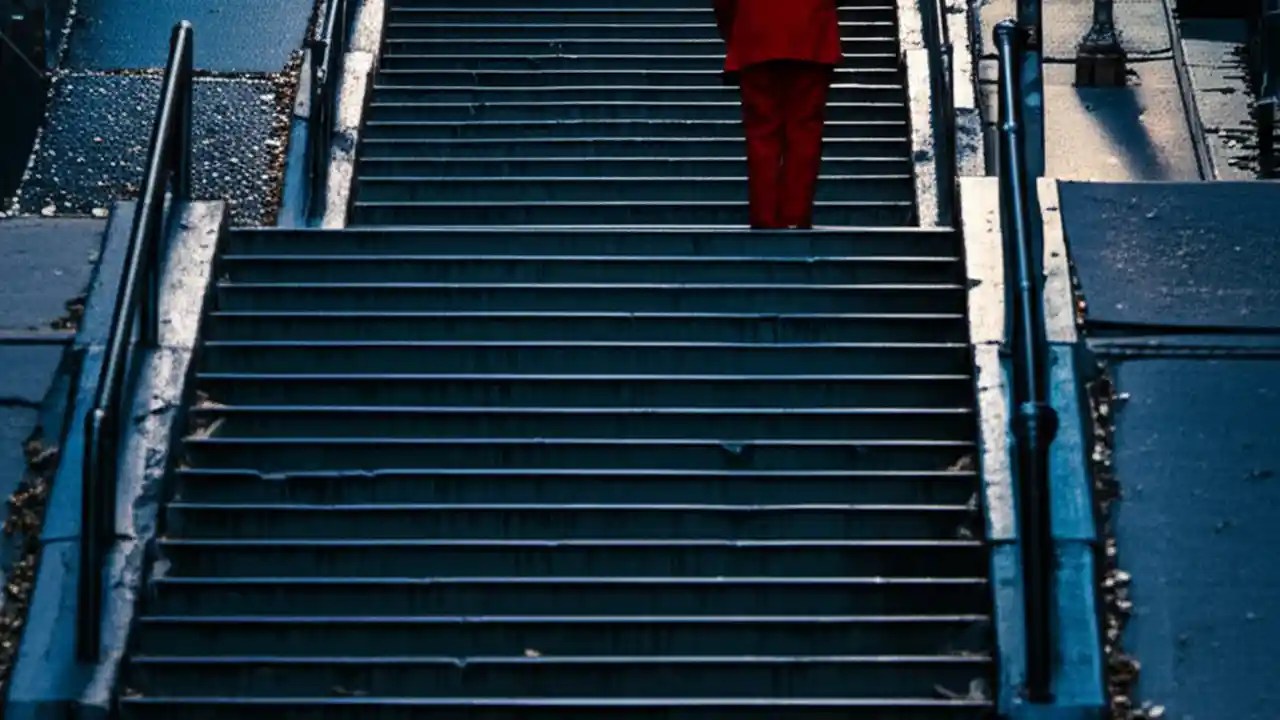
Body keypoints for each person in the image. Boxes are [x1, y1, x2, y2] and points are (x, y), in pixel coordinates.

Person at [714, 0, 842, 229]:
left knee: (761, 131)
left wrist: (734, 28)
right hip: (810, 31)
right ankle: (795, 215)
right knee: (804, 130)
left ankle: (765, 216)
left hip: (756, 33)